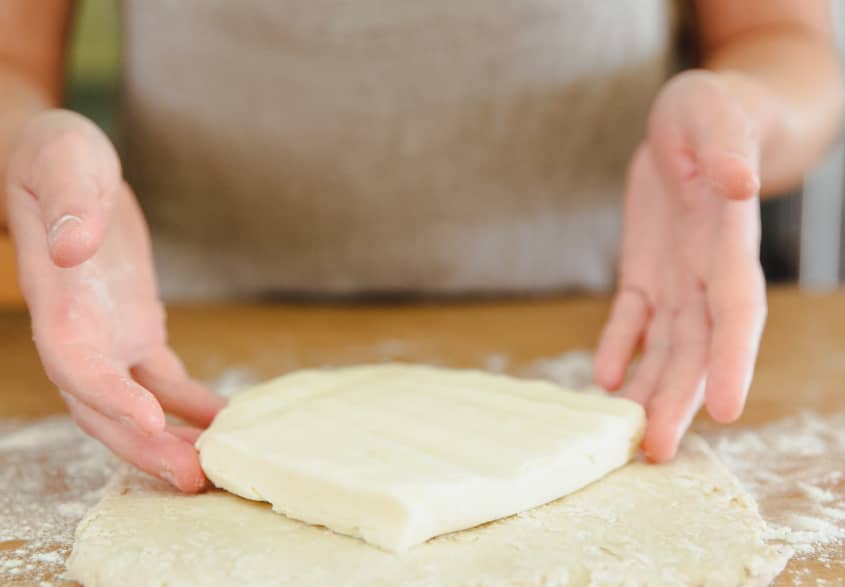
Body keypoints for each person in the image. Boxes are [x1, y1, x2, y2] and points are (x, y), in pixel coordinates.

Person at [1, 2, 842, 492]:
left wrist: (744, 112)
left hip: (600, 349)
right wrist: (26, 151)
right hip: (183, 363)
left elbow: (788, 38)